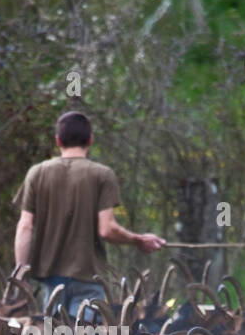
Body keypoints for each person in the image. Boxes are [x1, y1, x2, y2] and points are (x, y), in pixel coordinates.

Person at [12, 111, 165, 320]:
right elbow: (107, 229)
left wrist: (21, 274)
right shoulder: (102, 175)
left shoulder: (37, 173)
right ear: (90, 140)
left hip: (50, 280)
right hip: (88, 279)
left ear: (58, 141)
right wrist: (138, 240)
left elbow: (25, 227)